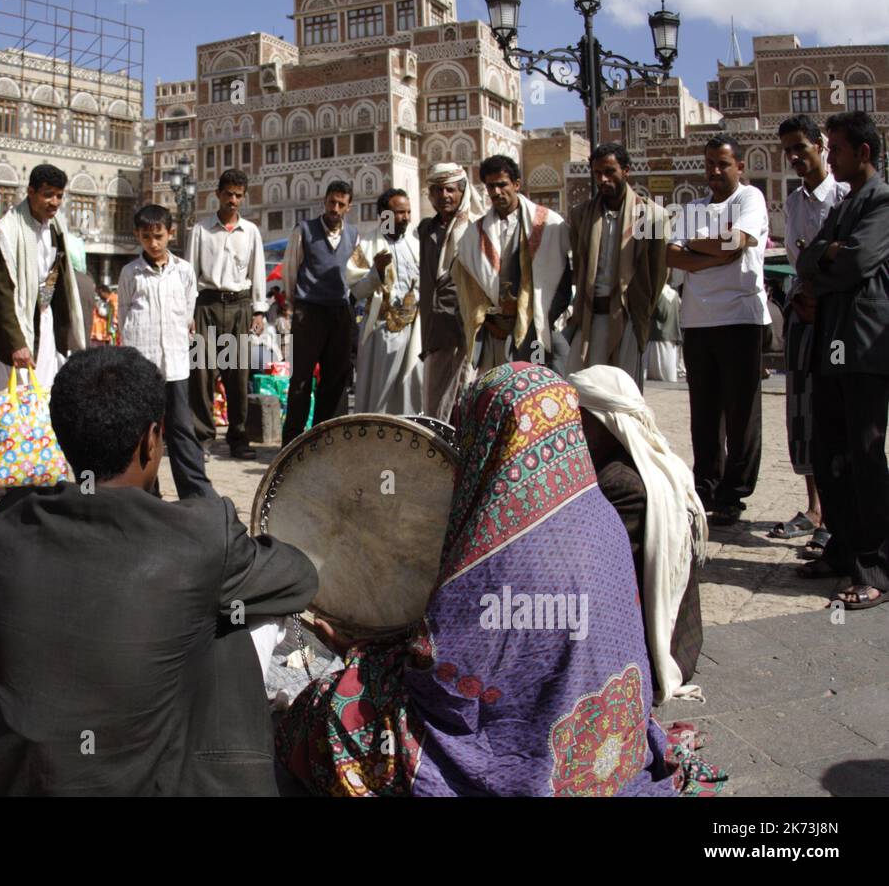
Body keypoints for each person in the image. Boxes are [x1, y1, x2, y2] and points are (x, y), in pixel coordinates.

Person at [0, 346, 318, 795]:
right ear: (152, 439)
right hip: (146, 781)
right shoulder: (202, 536)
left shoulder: (10, 522)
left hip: (23, 777)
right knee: (242, 614)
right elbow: (300, 579)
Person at [276, 364, 685, 797]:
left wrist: (358, 656)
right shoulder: (600, 514)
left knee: (327, 711)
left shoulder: (499, 553)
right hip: (611, 741)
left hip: (530, 760)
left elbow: (443, 685)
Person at [796, 111, 889, 610]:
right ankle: (844, 550)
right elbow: (807, 256)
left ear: (864, 153)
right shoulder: (847, 203)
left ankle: (876, 567)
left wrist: (826, 260)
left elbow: (857, 261)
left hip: (865, 344)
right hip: (833, 341)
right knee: (831, 452)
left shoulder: (883, 201)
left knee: (865, 455)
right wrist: (826, 255)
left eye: (836, 148)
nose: (829, 156)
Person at [570, 365, 707, 702]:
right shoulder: (652, 467)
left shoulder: (622, 485)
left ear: (604, 424)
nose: (570, 431)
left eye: (578, 421)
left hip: (643, 652)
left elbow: (591, 576)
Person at [666, 135, 770, 526]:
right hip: (698, 321)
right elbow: (671, 254)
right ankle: (706, 486)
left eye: (723, 164)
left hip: (740, 317)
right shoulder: (693, 207)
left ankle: (734, 492)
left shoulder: (749, 199)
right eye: (709, 163)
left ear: (739, 166)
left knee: (741, 412)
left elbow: (739, 241)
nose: (714, 171)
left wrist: (698, 251)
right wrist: (717, 251)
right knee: (704, 412)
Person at [770, 115, 847, 551]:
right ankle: (815, 507)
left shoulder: (843, 195)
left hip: (835, 318)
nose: (797, 157)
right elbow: (800, 260)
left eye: (802, 147)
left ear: (820, 145)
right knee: (803, 412)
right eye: (789, 152)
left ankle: (837, 514)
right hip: (804, 314)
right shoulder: (795, 203)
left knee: (834, 410)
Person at [118, 205, 214, 500]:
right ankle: (147, 492)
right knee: (144, 431)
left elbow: (187, 311)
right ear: (138, 236)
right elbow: (123, 314)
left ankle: (196, 493)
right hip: (143, 365)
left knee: (181, 429)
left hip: (175, 364)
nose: (153, 243)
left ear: (170, 234)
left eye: (158, 236)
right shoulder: (131, 273)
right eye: (146, 236)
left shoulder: (183, 271)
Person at [454, 155, 570, 379]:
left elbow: (562, 280)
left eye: (502, 184)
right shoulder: (473, 235)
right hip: (495, 333)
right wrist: (490, 320)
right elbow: (468, 289)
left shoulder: (548, 224)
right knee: (499, 395)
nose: (496, 192)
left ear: (517, 184)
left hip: (539, 329)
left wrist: (538, 316)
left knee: (537, 392)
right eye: (490, 186)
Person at [565, 143, 669, 387]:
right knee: (583, 389)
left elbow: (658, 274)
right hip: (590, 315)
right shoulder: (581, 215)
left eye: (610, 171)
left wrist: (638, 309)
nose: (603, 179)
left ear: (626, 171)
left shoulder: (651, 216)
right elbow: (579, 266)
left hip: (628, 317)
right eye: (598, 173)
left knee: (623, 394)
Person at [186, 169, 267, 460]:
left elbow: (258, 272)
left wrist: (259, 311)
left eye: (238, 195)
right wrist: (188, 312)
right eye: (228, 194)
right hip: (205, 306)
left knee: (238, 376)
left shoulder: (251, 232)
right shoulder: (200, 230)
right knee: (202, 374)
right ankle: (202, 438)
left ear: (243, 198)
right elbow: (189, 273)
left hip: (239, 308)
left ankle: (238, 437)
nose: (233, 200)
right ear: (217, 195)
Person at [0, 163, 87, 392]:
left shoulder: (56, 226)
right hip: (21, 328)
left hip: (46, 322)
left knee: (49, 395)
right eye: (48, 195)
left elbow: (55, 272)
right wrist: (17, 343)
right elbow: (2, 295)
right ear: (30, 192)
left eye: (59, 196)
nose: (54, 202)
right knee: (22, 403)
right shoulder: (5, 233)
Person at [281, 180, 359, 446]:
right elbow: (290, 271)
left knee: (334, 380)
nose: (334, 208)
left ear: (349, 207)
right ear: (324, 202)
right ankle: (291, 441)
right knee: (301, 379)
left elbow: (355, 276)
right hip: (309, 312)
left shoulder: (353, 235)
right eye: (331, 202)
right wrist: (294, 308)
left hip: (340, 313)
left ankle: (324, 439)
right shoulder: (304, 230)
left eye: (340, 204)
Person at [417, 163, 486, 420]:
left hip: (466, 332)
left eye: (449, 190)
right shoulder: (426, 230)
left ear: (462, 191)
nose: (444, 196)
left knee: (463, 402)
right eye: (437, 190)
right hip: (436, 332)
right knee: (434, 405)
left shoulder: (477, 229)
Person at [349, 187, 423, 415]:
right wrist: (376, 272)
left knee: (411, 389)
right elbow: (356, 290)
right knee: (379, 393)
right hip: (381, 332)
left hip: (413, 331)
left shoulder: (415, 244)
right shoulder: (367, 246)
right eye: (400, 212)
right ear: (384, 215)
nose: (406, 218)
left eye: (408, 212)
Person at [645, 282, 682, 382]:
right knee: (668, 371)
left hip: (656, 336)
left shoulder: (657, 294)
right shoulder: (675, 295)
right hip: (671, 336)